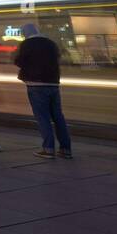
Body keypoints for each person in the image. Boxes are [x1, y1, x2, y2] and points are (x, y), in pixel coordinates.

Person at [15, 25, 72, 158]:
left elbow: (19, 61)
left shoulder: (27, 44)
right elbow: (58, 58)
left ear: (25, 33)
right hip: (53, 83)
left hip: (36, 85)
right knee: (58, 117)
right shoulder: (51, 43)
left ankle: (48, 149)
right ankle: (65, 149)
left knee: (43, 117)